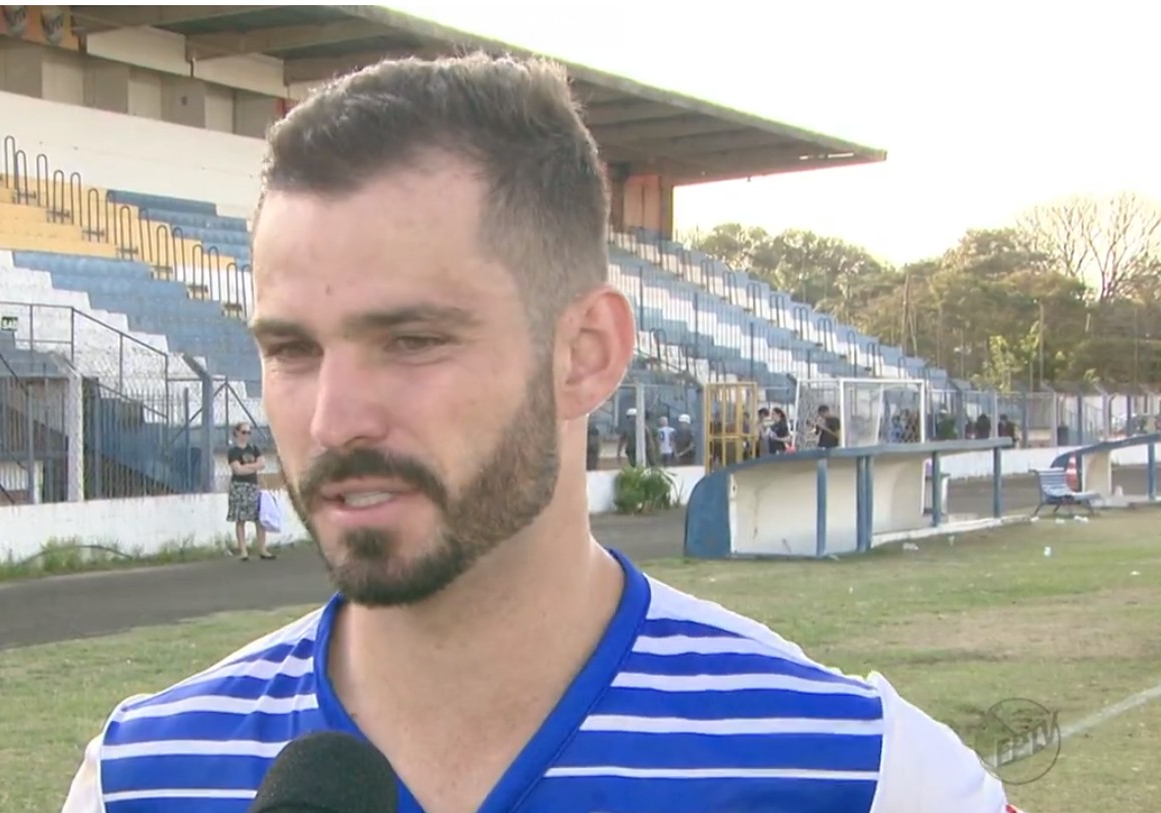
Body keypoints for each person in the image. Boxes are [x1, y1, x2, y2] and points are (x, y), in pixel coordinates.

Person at [60, 53, 1016, 813]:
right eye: (293, 349)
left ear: (586, 352)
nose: (332, 417)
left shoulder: (858, 777)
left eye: (412, 339)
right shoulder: (143, 778)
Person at [225, 421, 274, 561]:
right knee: (241, 519)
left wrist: (248, 467)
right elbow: (237, 470)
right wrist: (254, 466)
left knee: (259, 518)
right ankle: (243, 551)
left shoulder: (254, 448)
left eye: (248, 432)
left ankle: (263, 549)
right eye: (244, 432)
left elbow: (263, 464)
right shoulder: (233, 451)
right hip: (239, 487)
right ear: (237, 433)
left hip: (253, 485)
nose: (246, 435)